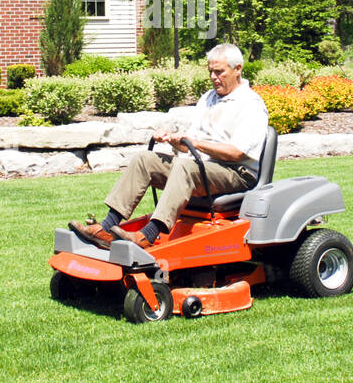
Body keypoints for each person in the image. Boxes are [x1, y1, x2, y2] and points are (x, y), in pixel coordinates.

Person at [70, 43, 269, 249]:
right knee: (144, 159)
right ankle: (106, 227)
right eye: (210, 71)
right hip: (202, 168)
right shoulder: (208, 99)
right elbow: (191, 145)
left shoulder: (251, 104)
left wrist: (196, 144)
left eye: (219, 72)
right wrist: (175, 140)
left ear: (237, 69)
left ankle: (148, 235)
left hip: (236, 173)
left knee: (184, 167)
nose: (213, 77)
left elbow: (238, 152)